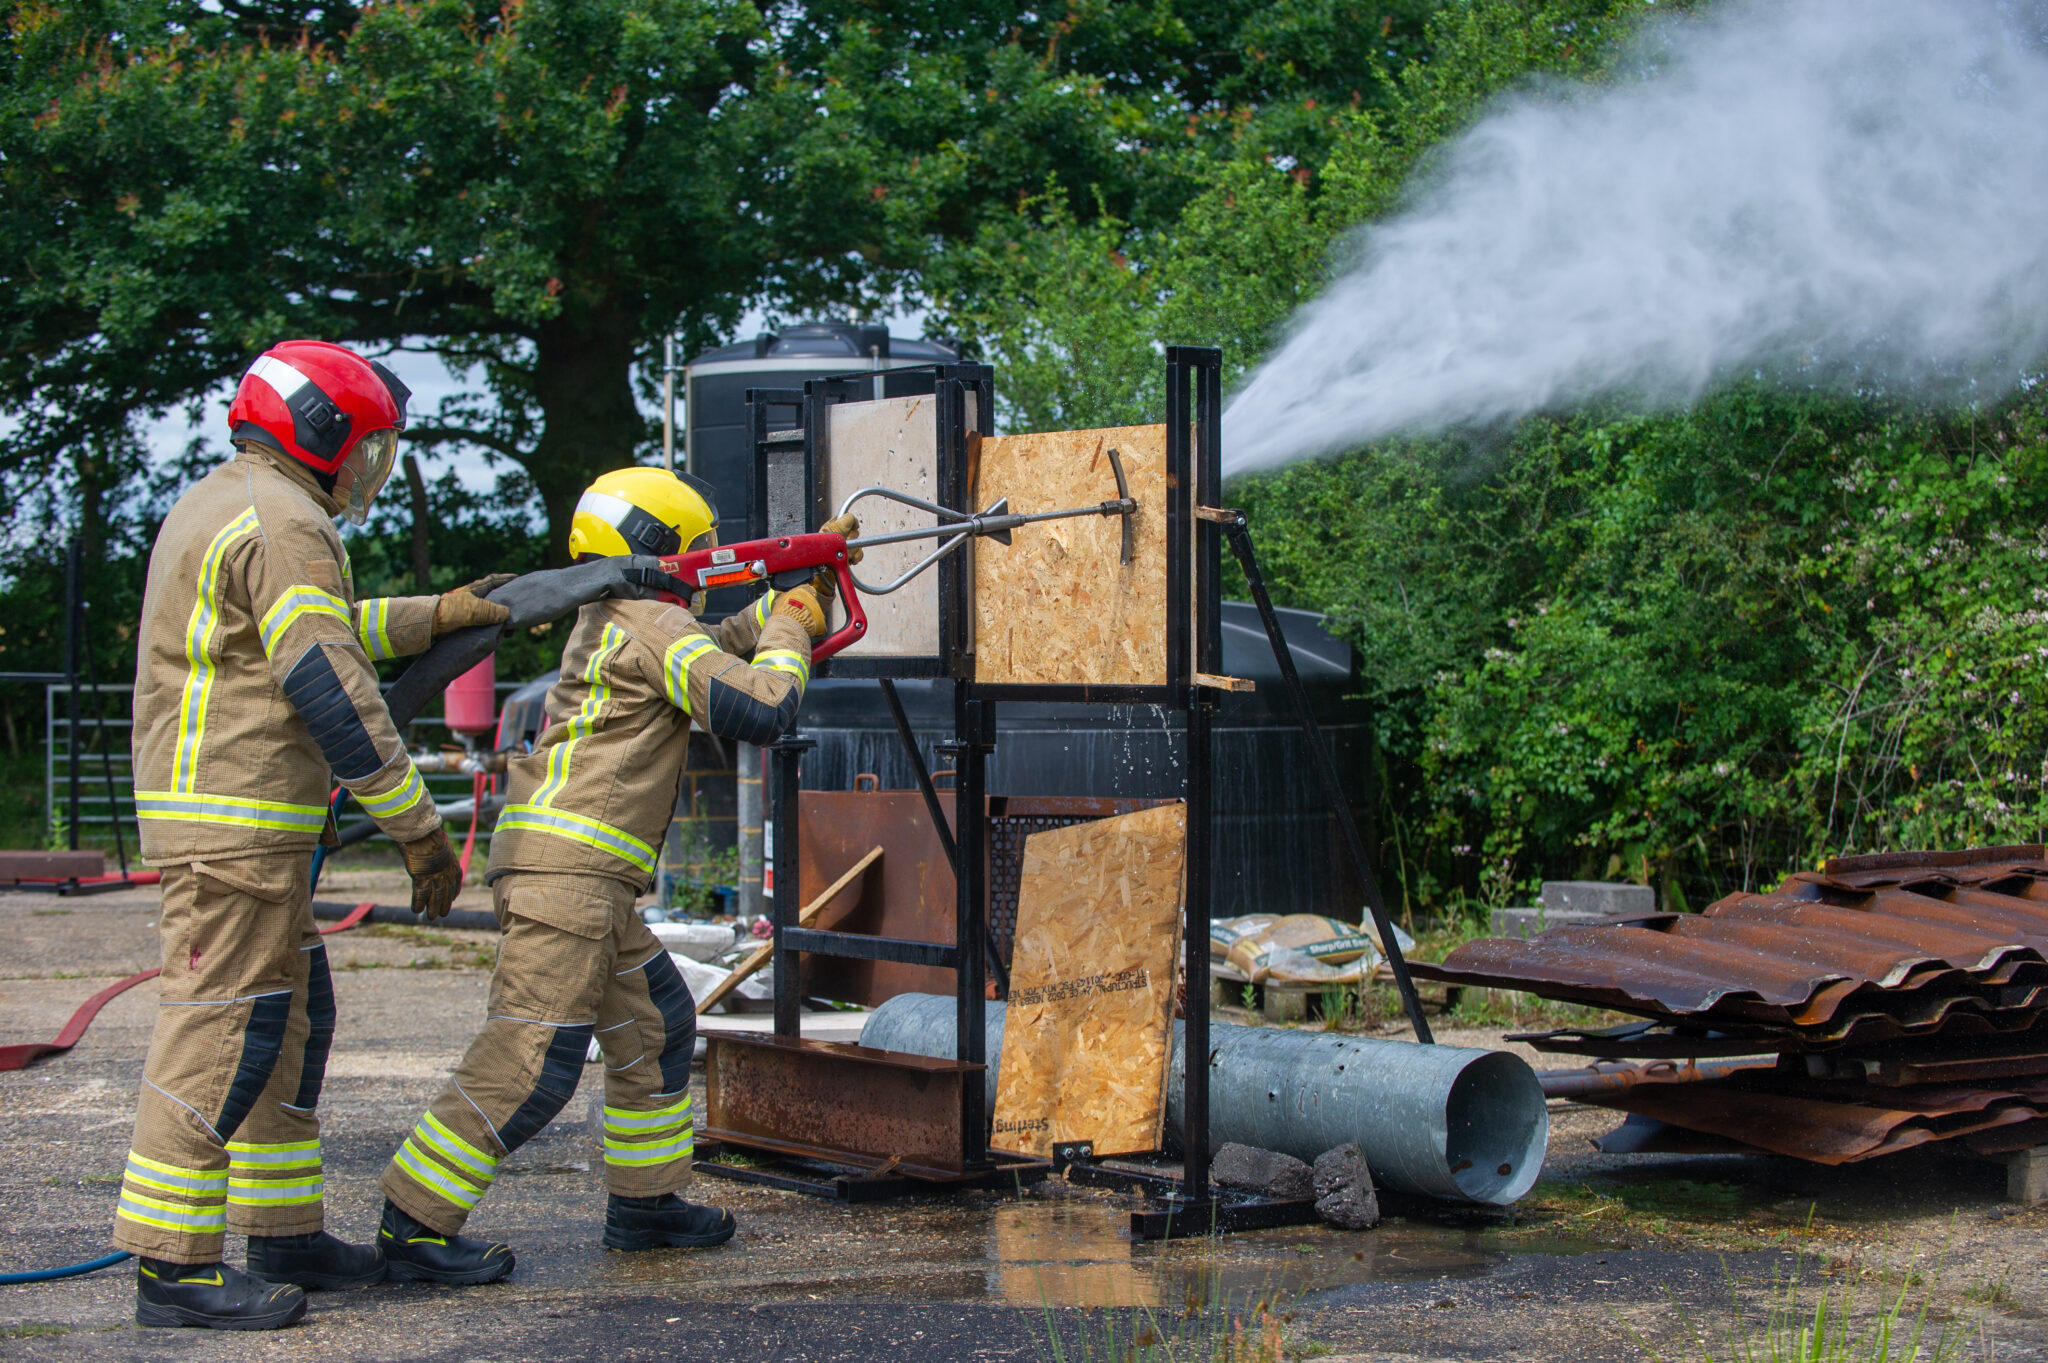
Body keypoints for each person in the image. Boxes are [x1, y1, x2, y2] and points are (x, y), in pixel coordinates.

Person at [118, 340, 516, 1329]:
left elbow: (324, 628)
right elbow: (328, 680)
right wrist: (421, 832)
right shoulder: (286, 520)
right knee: (222, 1028)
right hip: (235, 825)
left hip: (245, 825)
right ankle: (174, 1268)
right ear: (324, 430)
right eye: (369, 446)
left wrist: (444, 613)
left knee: (288, 1025)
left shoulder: (242, 499)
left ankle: (284, 1231)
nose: (370, 470)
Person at [373, 467, 852, 1281]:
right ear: (660, 550)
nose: (709, 559)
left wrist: (774, 607)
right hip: (573, 876)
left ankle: (648, 1203)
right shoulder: (653, 626)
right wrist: (793, 627)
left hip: (581, 874)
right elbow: (759, 707)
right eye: (699, 547)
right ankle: (413, 1221)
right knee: (531, 1055)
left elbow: (705, 657)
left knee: (656, 1026)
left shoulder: (626, 615)